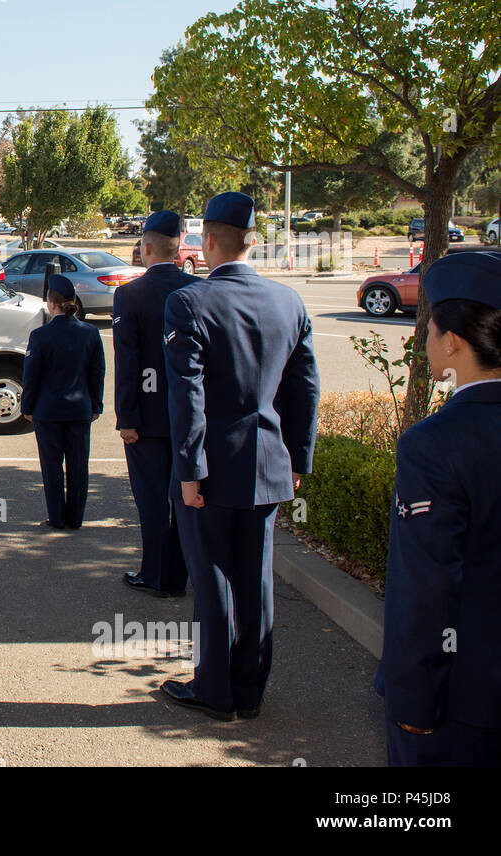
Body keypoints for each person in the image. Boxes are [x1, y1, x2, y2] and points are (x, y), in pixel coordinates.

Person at [161, 191, 319, 721]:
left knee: (214, 583)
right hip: (268, 464)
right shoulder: (289, 302)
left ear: (207, 241)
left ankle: (216, 691)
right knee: (257, 579)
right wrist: (297, 460)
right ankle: (249, 692)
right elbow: (305, 390)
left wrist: (189, 471)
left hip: (211, 469)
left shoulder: (189, 302)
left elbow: (188, 395)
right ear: (254, 241)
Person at [376, 251, 501, 766]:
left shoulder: (436, 443)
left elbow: (425, 587)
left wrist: (413, 697)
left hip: (465, 696)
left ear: (451, 342)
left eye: (427, 329)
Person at [113, 210, 198, 597]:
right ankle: (180, 574)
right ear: (179, 247)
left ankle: (154, 573)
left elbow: (127, 361)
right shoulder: (199, 290)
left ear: (146, 247)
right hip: (189, 415)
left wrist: (125, 417)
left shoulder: (130, 294)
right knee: (186, 495)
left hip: (146, 418)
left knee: (151, 500)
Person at [21, 274, 105, 530]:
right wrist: (96, 405)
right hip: (79, 409)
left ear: (51, 303)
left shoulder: (40, 335)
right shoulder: (90, 332)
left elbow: (31, 375)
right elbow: (97, 372)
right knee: (79, 467)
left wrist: (27, 407)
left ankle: (57, 518)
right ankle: (75, 518)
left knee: (52, 467)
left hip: (48, 411)